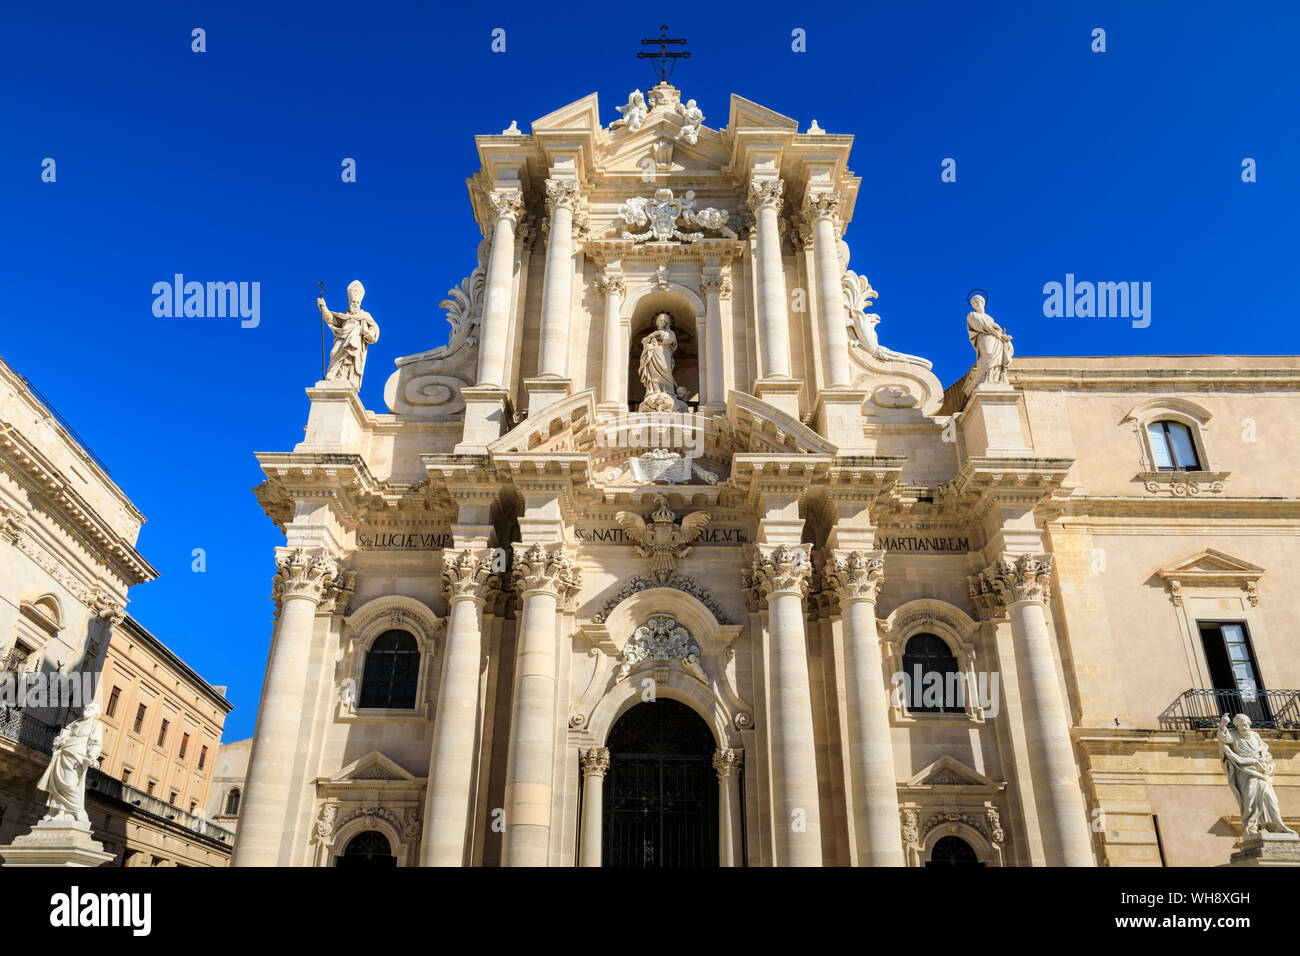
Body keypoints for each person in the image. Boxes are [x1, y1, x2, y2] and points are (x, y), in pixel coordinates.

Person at [36, 702, 103, 826]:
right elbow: (65, 735)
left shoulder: (96, 724)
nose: (87, 709)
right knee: (58, 784)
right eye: (87, 707)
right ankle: (60, 812)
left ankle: (78, 811)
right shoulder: (75, 722)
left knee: (70, 783)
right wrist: (60, 741)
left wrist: (91, 756)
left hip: (77, 757)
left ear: (96, 713)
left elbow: (96, 743)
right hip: (63, 754)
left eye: (92, 708)